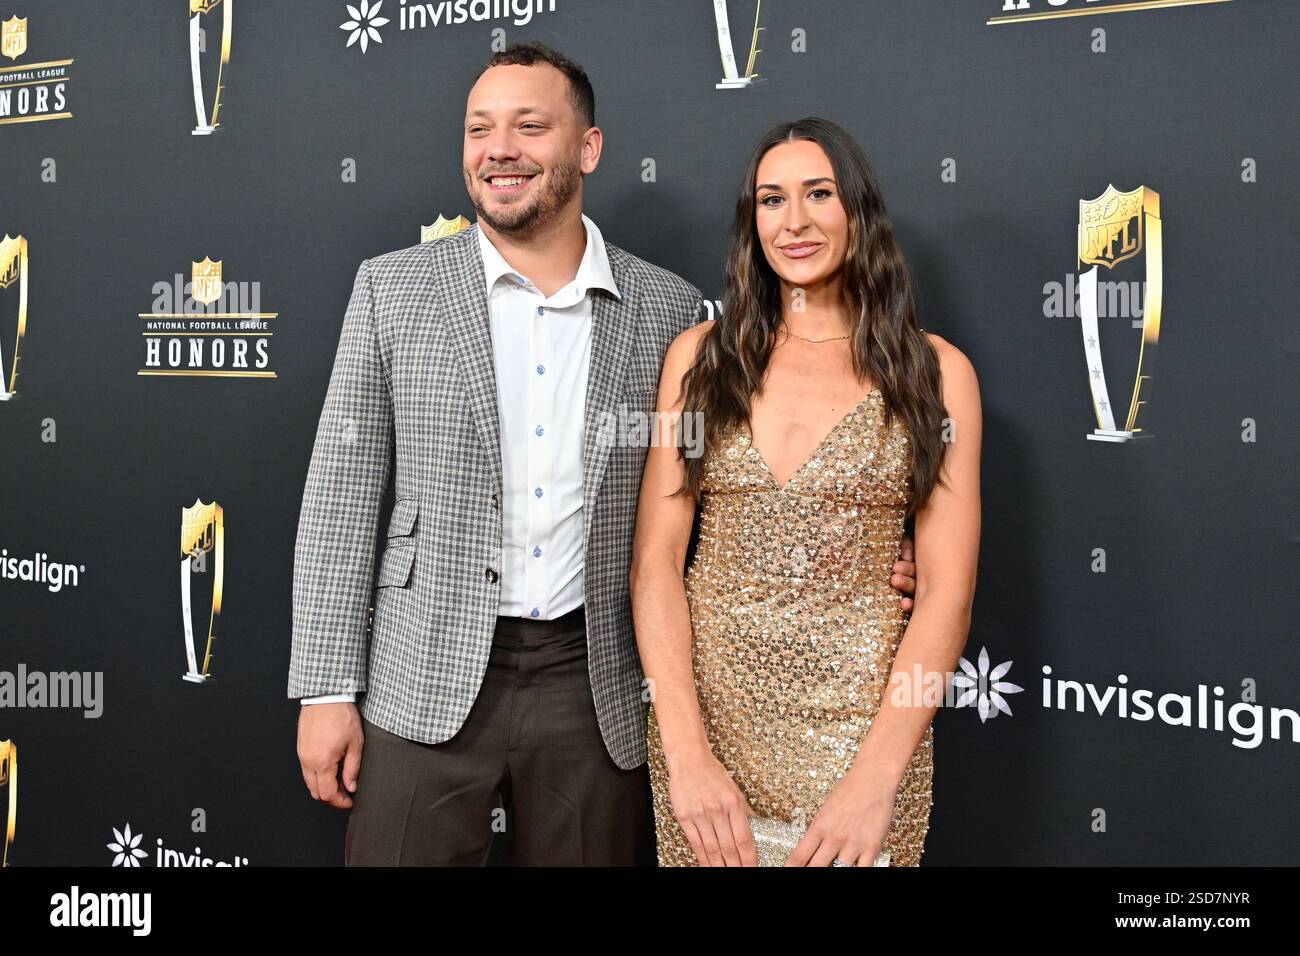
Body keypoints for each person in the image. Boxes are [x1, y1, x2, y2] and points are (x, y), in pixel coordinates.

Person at [288, 44, 917, 866]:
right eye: (480, 129)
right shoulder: (393, 289)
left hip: (600, 684)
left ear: (587, 148)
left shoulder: (668, 310)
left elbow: (733, 478)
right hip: (422, 674)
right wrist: (328, 689)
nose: (499, 149)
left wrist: (862, 554)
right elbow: (340, 496)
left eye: (530, 126)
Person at [632, 117, 980, 867]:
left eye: (818, 194)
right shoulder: (698, 361)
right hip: (708, 740)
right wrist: (686, 755)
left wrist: (876, 781)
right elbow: (656, 565)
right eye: (770, 200)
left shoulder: (936, 373)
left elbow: (948, 594)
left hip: (863, 737)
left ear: (857, 209)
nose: (793, 222)